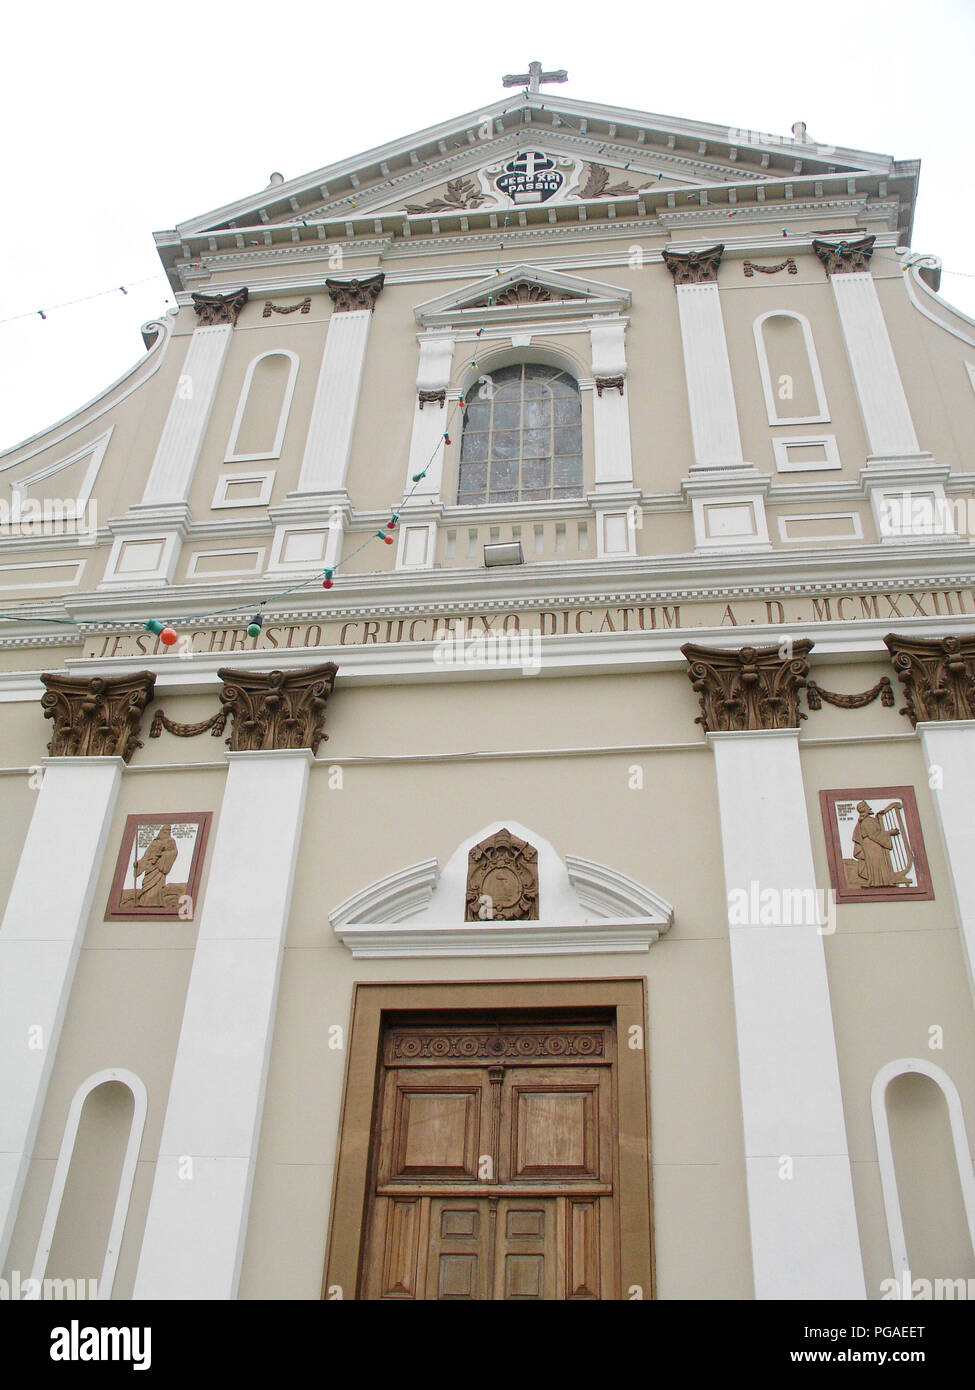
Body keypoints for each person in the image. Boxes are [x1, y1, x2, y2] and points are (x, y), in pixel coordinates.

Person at [852, 801, 899, 888]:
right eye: (867, 807)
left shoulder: (868, 820)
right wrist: (889, 832)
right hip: (872, 844)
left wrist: (878, 817)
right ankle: (877, 882)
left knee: (875, 863)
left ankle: (879, 881)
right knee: (875, 863)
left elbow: (876, 830)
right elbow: (874, 834)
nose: (869, 808)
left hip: (872, 843)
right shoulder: (867, 821)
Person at [134, 825, 178, 906]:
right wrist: (139, 863)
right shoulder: (155, 842)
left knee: (157, 885)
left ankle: (157, 903)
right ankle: (144, 903)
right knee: (147, 884)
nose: (167, 833)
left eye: (168, 831)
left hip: (159, 866)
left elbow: (173, 853)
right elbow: (146, 856)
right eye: (165, 831)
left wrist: (162, 856)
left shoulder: (171, 841)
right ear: (161, 831)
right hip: (150, 866)